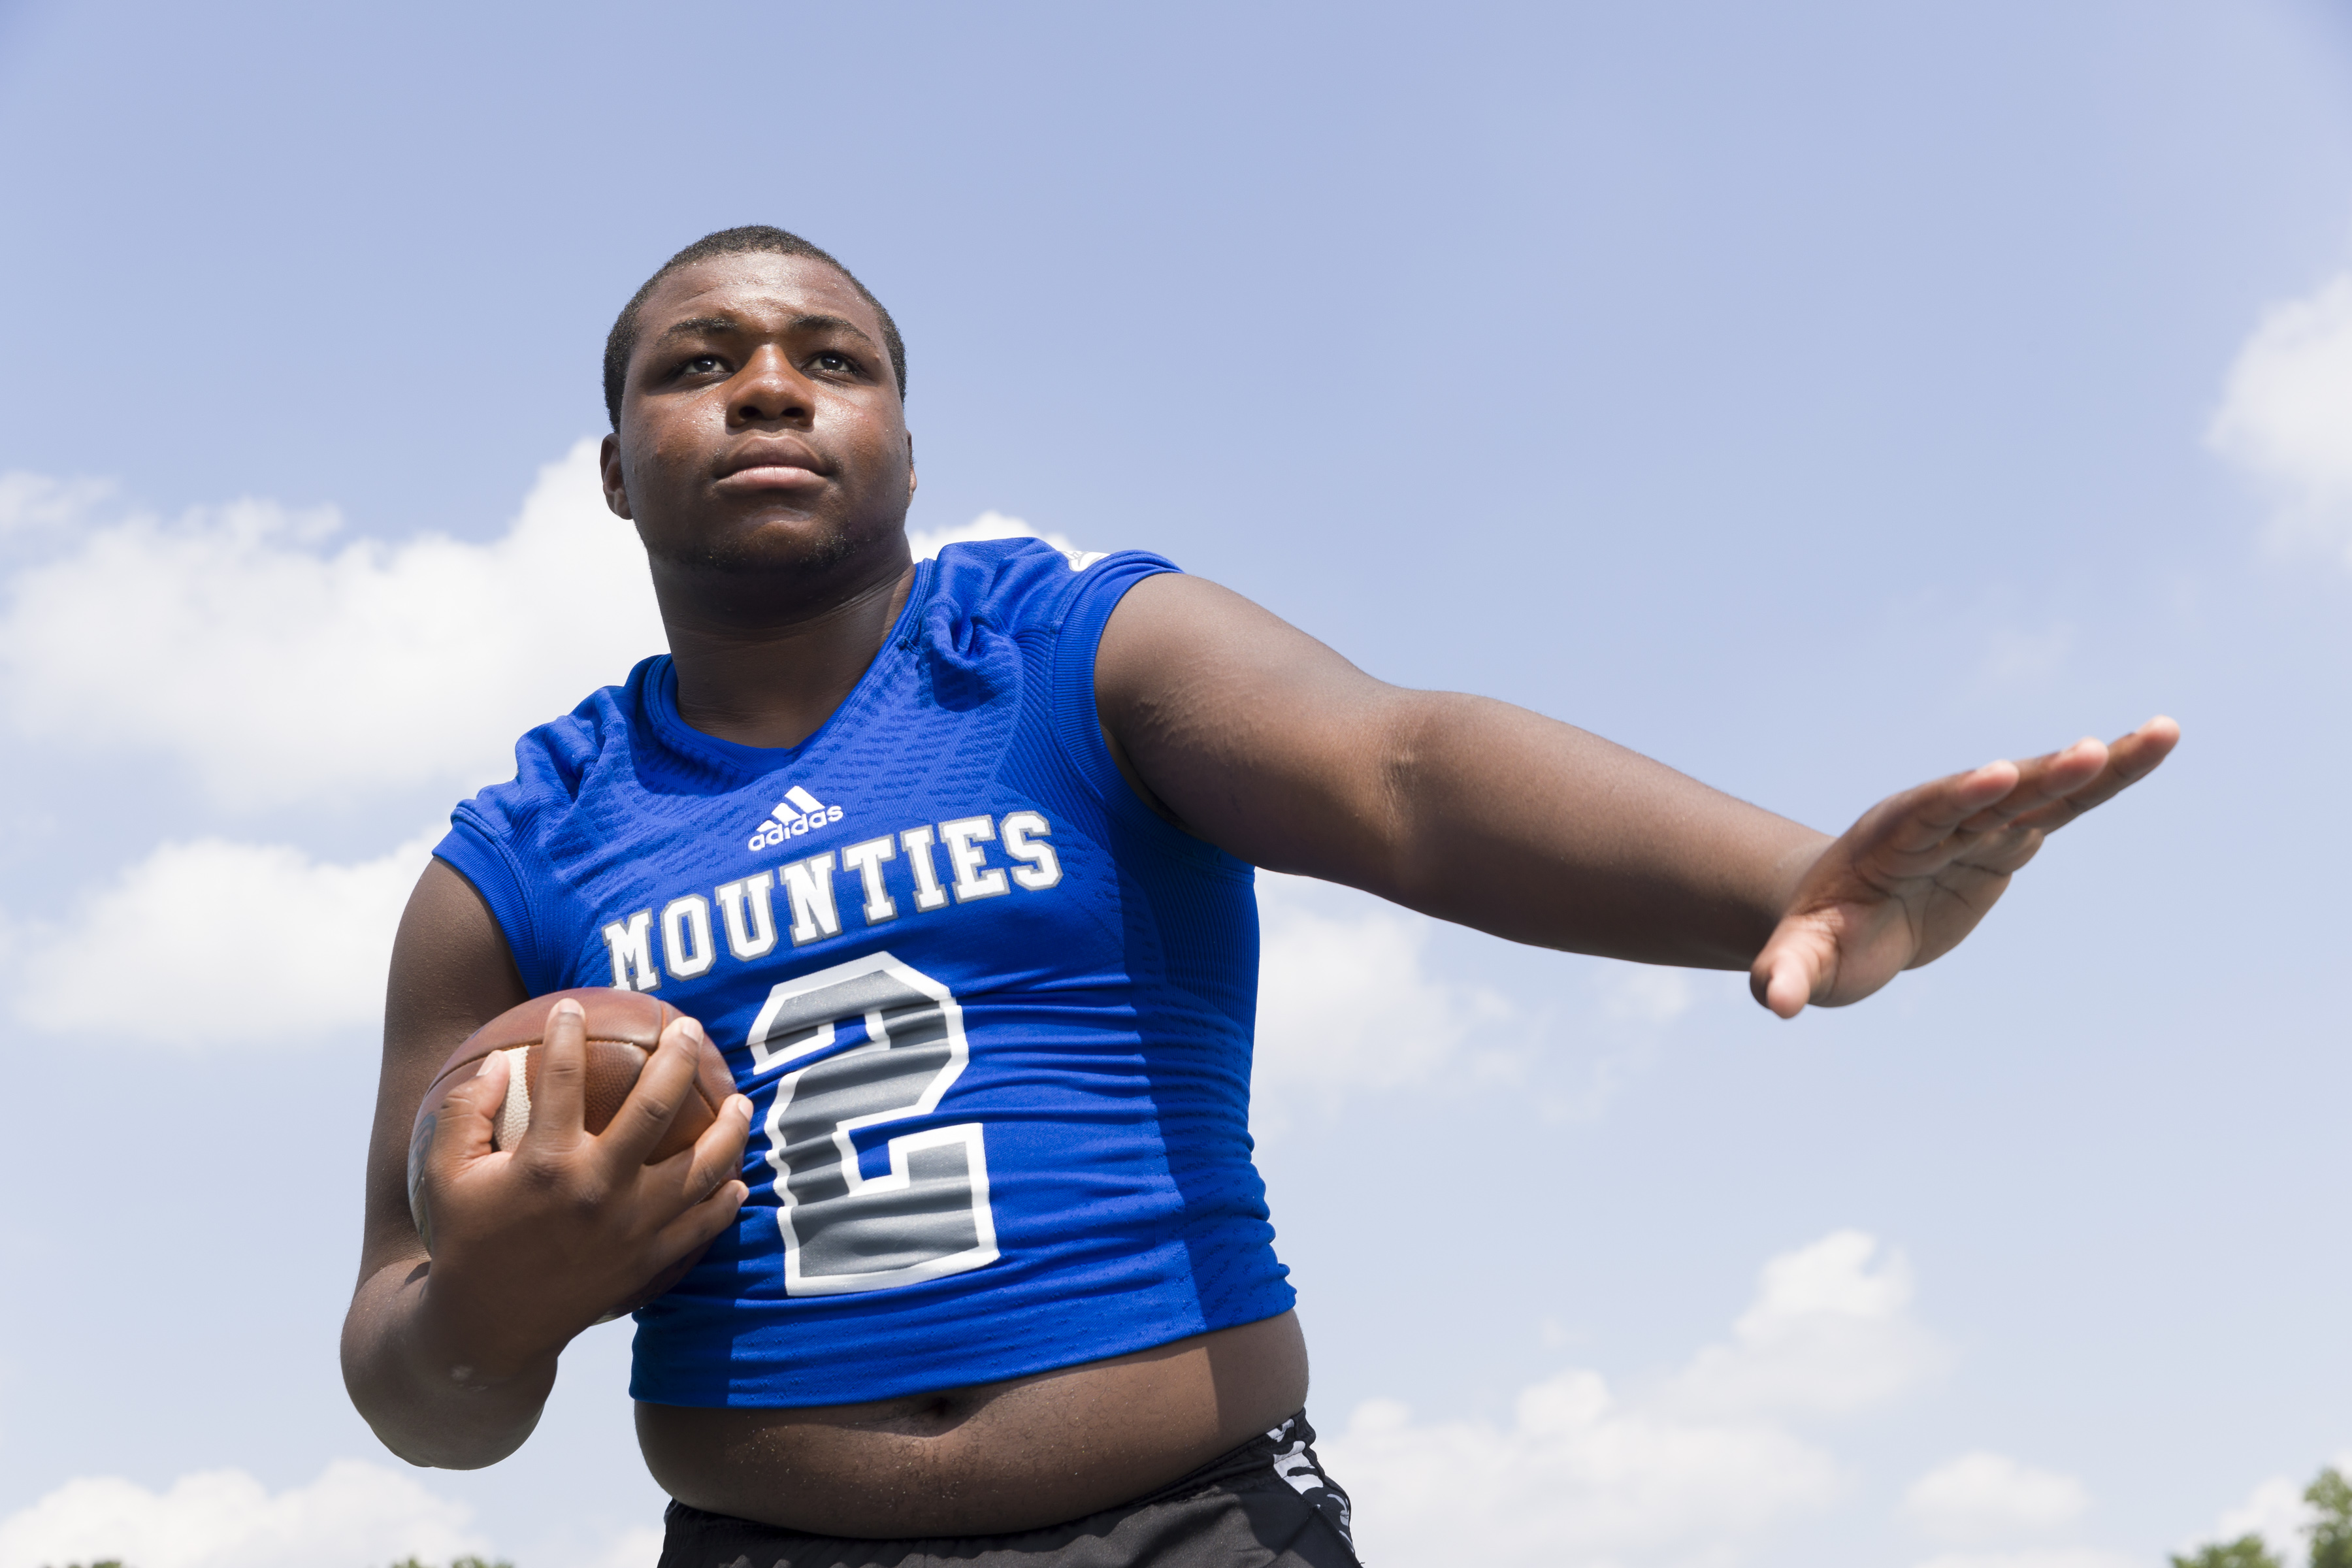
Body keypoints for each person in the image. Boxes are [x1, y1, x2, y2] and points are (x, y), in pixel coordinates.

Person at [340, 225, 2178, 1568]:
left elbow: (1402, 772)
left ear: (906, 445)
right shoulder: (520, 850)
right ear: (610, 469)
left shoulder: (1060, 646)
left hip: (1192, 1531)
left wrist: (1782, 880)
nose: (768, 383)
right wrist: (498, 1301)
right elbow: (419, 1390)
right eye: (696, 360)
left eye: (833, 359)